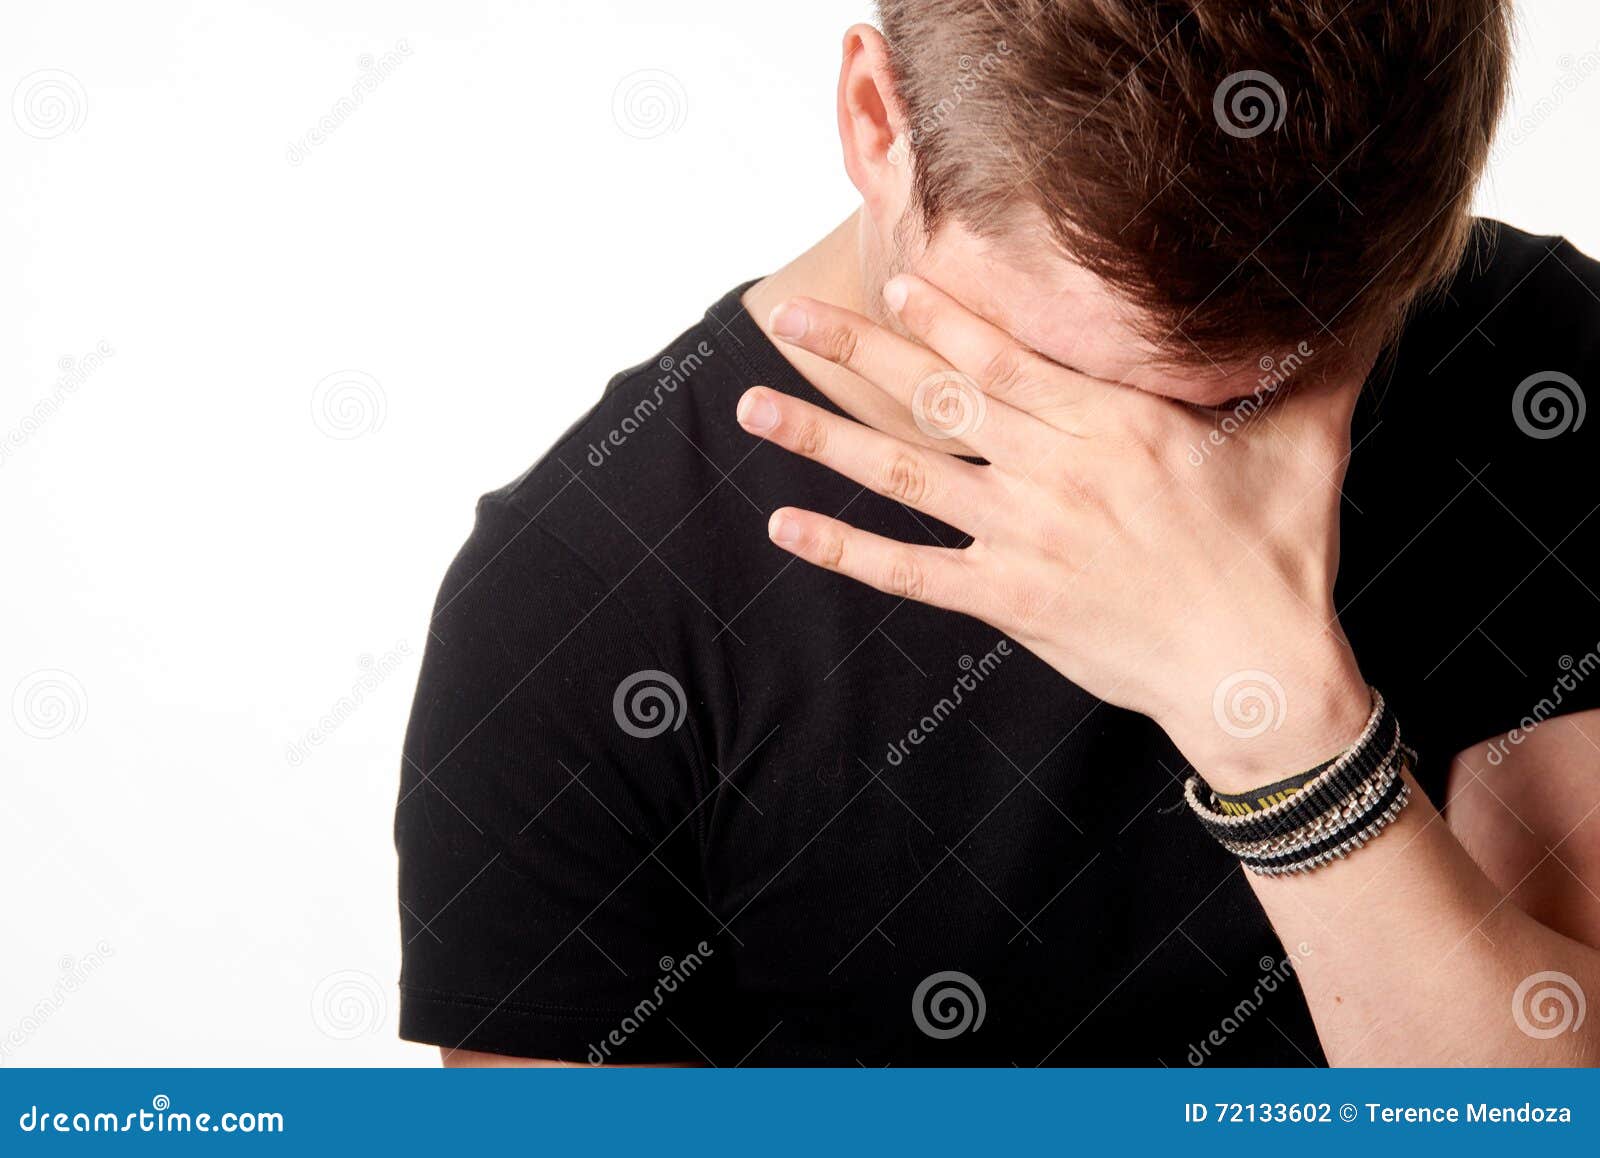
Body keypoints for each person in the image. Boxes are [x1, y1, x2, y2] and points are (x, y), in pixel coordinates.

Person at [396, 0, 1600, 1066]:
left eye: (1271, 389)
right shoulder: (580, 598)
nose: (1154, 464)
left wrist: (1283, 727)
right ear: (879, 122)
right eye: (1072, 375)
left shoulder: (1535, 365)